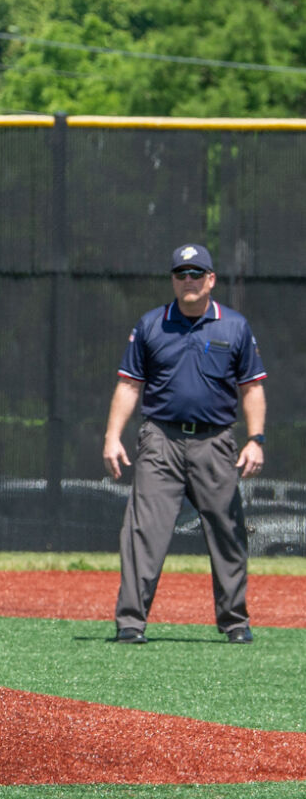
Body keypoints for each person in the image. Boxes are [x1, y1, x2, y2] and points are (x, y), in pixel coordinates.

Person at [103, 243, 267, 644]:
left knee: (228, 531)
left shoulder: (234, 327)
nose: (189, 281)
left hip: (215, 442)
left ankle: (235, 621)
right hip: (161, 440)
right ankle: (130, 622)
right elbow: (129, 385)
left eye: (197, 274)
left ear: (211, 280)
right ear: (173, 281)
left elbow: (252, 390)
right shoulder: (150, 325)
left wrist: (255, 439)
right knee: (144, 530)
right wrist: (112, 436)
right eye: (181, 274)